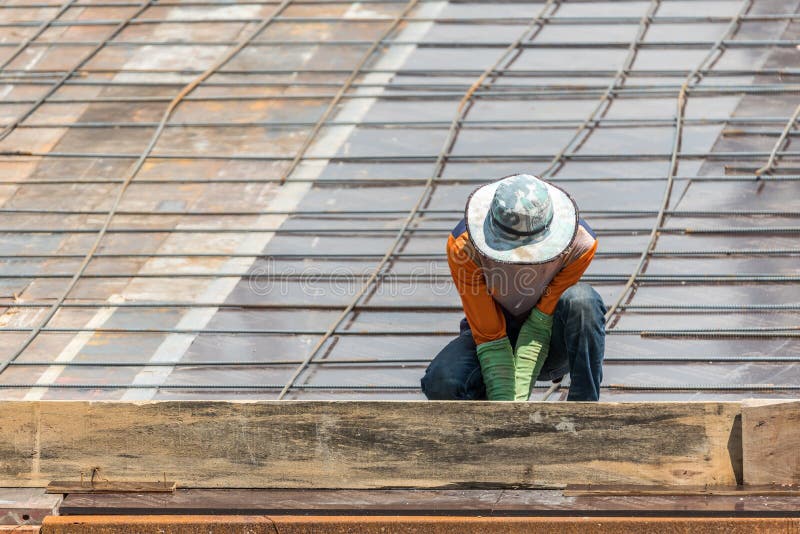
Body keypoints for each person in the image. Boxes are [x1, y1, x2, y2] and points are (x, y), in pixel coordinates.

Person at [421, 174, 605, 401]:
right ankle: (482, 429)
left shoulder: (581, 244)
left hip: (551, 337)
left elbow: (539, 325)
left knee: (583, 301)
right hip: (490, 336)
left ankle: (584, 417)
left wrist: (516, 401)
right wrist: (507, 414)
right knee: (442, 381)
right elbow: (490, 337)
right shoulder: (463, 247)